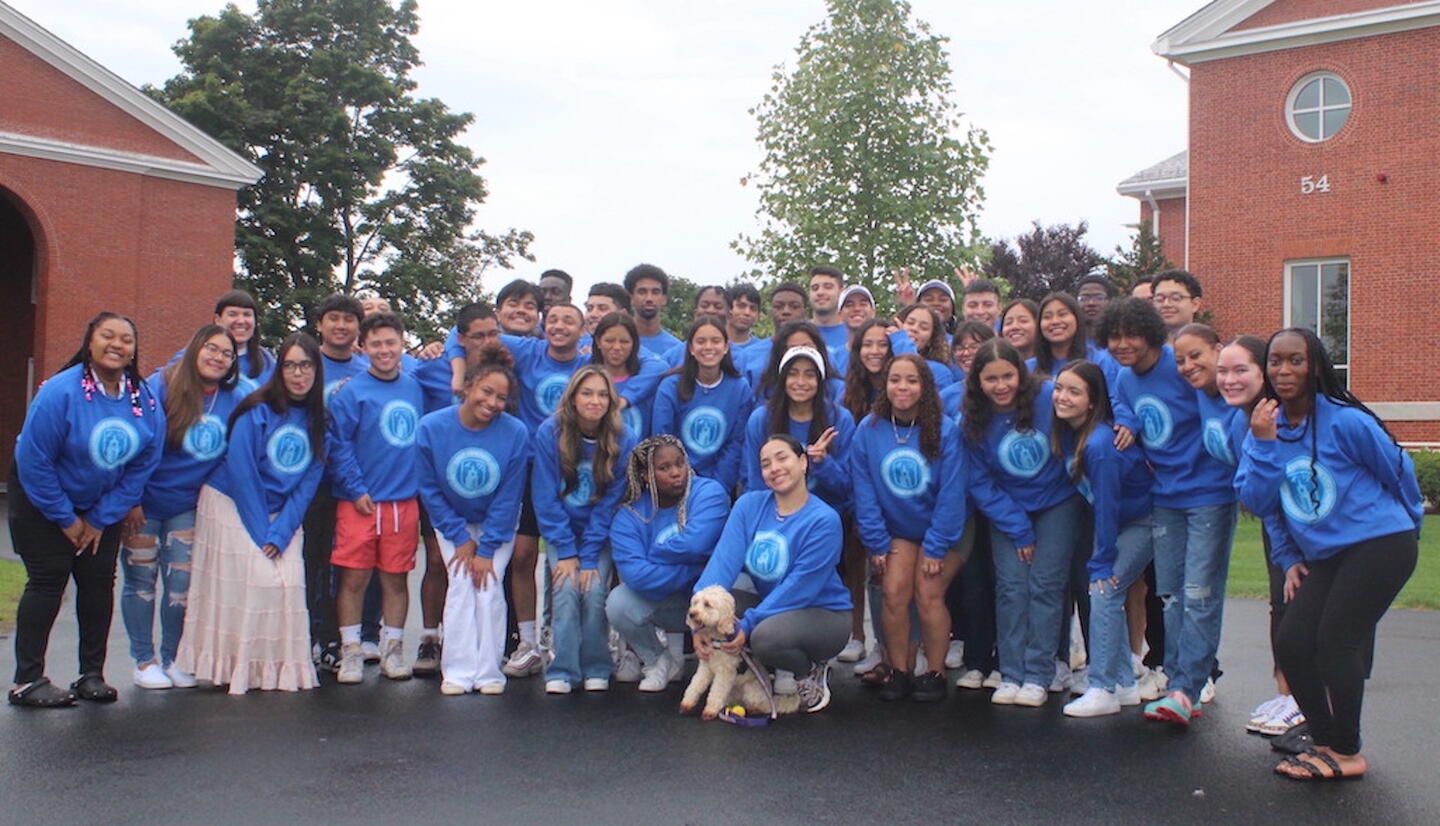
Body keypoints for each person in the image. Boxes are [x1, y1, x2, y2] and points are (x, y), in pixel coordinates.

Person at [1240, 329, 1421, 781]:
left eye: (1295, 361)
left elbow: (1399, 470)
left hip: (1381, 543)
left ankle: (1346, 751)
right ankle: (1322, 742)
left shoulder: (1345, 421)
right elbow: (1261, 502)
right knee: (1293, 642)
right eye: (1275, 362)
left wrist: (1410, 526)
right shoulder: (1264, 426)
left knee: (1335, 641)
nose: (1283, 371)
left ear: (1315, 366)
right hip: (1326, 555)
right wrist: (1287, 556)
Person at [8, 313, 165, 708]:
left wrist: (97, 518)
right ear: (90, 343)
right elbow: (34, 460)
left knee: (97, 583)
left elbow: (143, 463)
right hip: (42, 501)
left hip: (100, 506)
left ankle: (90, 675)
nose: (117, 344)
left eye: (126, 339)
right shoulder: (60, 392)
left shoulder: (142, 398)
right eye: (107, 336)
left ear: (133, 349)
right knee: (48, 581)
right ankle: (27, 680)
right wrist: (65, 518)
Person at [1101, 298, 1236, 725]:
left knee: (1199, 594)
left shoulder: (1179, 370)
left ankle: (1187, 686)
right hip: (1166, 497)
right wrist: (1129, 423)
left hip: (1208, 493)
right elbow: (1125, 407)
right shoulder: (1124, 378)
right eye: (1114, 336)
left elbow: (1216, 408)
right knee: (1172, 595)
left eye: (1132, 334)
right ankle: (1181, 683)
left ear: (1150, 334)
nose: (1123, 344)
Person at [174, 332, 327, 695]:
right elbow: (243, 474)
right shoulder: (256, 408)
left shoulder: (322, 421)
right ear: (280, 370)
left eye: (305, 365)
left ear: (316, 370)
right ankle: (231, 668)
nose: (297, 374)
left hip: (282, 513)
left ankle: (274, 672)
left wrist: (281, 532)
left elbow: (308, 483)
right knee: (261, 580)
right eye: (289, 365)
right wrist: (263, 535)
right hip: (232, 503)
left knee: (287, 585)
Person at [692, 434, 853, 713]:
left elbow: (799, 587)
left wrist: (750, 622)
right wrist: (698, 617)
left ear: (803, 462)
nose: (774, 468)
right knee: (720, 612)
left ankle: (808, 670)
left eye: (782, 458)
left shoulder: (824, 520)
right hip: (777, 608)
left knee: (764, 636)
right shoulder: (749, 506)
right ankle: (759, 673)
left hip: (824, 615)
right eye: (766, 464)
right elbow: (723, 562)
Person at [962, 340, 1083, 708]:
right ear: (978, 382)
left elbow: (1087, 416)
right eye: (991, 379)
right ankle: (1011, 672)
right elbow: (979, 481)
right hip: (1008, 508)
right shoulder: (974, 417)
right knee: (1012, 588)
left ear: (1021, 374)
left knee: (1046, 585)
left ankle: (1038, 673)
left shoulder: (1048, 397)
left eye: (1008, 376)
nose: (1000, 386)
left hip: (1057, 502)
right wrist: (1017, 526)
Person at [122, 325, 243, 691]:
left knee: (181, 585)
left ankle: (174, 657)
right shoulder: (162, 385)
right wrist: (131, 499)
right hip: (143, 505)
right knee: (141, 583)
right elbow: (135, 447)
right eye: (211, 348)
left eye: (226, 353)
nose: (218, 357)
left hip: (187, 506)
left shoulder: (233, 397)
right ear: (194, 349)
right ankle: (144, 661)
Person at [851, 355, 967, 702]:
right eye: (895, 380)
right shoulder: (868, 430)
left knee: (927, 592)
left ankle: (934, 671)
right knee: (893, 590)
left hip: (942, 529)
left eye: (912, 381)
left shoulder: (945, 429)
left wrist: (935, 546)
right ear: (885, 385)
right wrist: (877, 542)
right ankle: (899, 669)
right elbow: (865, 490)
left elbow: (952, 493)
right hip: (897, 530)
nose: (903, 387)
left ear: (925, 386)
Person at [416, 347, 530, 695]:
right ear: (467, 387)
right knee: (462, 583)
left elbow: (509, 497)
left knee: (489, 584)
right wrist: (460, 538)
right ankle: (458, 671)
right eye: (486, 392)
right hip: (453, 521)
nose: (493, 402)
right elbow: (429, 489)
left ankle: (489, 672)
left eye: (501, 397)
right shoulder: (431, 427)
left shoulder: (515, 432)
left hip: (497, 522)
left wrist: (488, 547)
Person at [1051, 361, 1154, 717]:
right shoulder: (1072, 434)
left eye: (1074, 391)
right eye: (1059, 388)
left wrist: (1103, 558)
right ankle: (1124, 684)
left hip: (1144, 522)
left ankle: (1102, 686)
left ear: (1093, 402)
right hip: (1121, 522)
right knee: (1106, 589)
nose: (1062, 397)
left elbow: (1108, 506)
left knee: (1104, 588)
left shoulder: (1100, 445)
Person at [1213, 335, 1304, 736]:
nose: (1229, 380)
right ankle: (1287, 694)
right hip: (1280, 527)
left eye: (1240, 370)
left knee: (1306, 612)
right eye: (1223, 371)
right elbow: (1257, 493)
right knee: (1281, 605)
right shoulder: (1241, 420)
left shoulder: (1288, 414)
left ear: (1262, 372)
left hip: (1314, 528)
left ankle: (1306, 700)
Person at [327, 313, 426, 684]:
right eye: (376, 344)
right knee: (353, 579)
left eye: (390, 343)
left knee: (396, 580)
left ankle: (393, 648)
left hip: (403, 502)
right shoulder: (352, 391)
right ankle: (351, 649)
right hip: (361, 503)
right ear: (363, 347)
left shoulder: (414, 387)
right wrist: (356, 489)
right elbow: (340, 445)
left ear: (402, 344)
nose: (384, 350)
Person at [530, 366, 637, 693]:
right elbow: (545, 496)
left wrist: (588, 555)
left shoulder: (623, 438)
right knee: (564, 591)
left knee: (593, 593)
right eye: (587, 393)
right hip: (561, 532)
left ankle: (596, 664)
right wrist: (566, 550)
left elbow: (611, 502)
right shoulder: (550, 432)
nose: (595, 401)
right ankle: (562, 668)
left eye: (603, 394)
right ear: (573, 397)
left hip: (597, 533)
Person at [608, 435, 730, 691]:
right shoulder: (630, 516)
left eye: (680, 463)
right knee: (619, 602)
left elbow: (697, 543)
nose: (676, 473)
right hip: (673, 605)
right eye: (664, 468)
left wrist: (655, 554)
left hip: (709, 603)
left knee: (740, 586)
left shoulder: (709, 493)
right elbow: (636, 576)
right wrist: (694, 569)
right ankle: (657, 660)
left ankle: (731, 669)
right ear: (645, 475)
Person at [744, 346, 855, 516]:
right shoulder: (761, 419)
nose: (801, 382)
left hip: (825, 518)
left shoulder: (840, 419)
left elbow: (846, 488)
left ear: (820, 380)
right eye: (793, 374)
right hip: (773, 516)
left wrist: (822, 463)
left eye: (809, 375)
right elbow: (755, 483)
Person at [651, 317, 751, 492]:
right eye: (701, 341)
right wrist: (683, 480)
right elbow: (663, 438)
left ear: (726, 347)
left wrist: (716, 487)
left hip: (718, 483)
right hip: (675, 481)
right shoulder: (670, 386)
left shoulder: (740, 388)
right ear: (691, 348)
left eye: (716, 341)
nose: (708, 347)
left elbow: (736, 444)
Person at [590, 311, 667, 439]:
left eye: (624, 342)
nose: (617, 347)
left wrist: (625, 399)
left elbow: (661, 366)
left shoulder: (646, 380)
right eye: (609, 340)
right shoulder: (586, 374)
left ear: (634, 344)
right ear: (598, 341)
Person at [896, 303, 955, 389]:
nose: (914, 329)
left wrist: (901, 342)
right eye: (910, 323)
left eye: (923, 328)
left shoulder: (940, 372)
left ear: (931, 339)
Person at [625, 264, 680, 356]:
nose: (649, 298)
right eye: (642, 292)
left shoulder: (677, 349)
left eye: (655, 292)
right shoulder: (617, 345)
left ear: (664, 299)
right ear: (631, 298)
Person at [808, 265, 848, 352]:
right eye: (815, 288)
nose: (820, 292)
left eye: (828, 287)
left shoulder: (855, 333)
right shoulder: (798, 332)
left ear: (841, 292)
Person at [1153, 269, 1204, 336]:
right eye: (1160, 299)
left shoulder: (1208, 345)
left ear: (1195, 304)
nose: (1166, 304)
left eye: (1175, 298)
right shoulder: (1142, 345)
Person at [724, 282, 764, 364]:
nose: (747, 312)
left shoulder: (763, 350)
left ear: (758, 315)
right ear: (728, 309)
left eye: (753, 308)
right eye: (741, 306)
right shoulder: (712, 346)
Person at [1075, 272, 1115, 348]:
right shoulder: (1068, 342)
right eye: (1084, 298)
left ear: (1110, 301)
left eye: (1099, 298)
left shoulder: (1122, 341)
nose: (1091, 303)